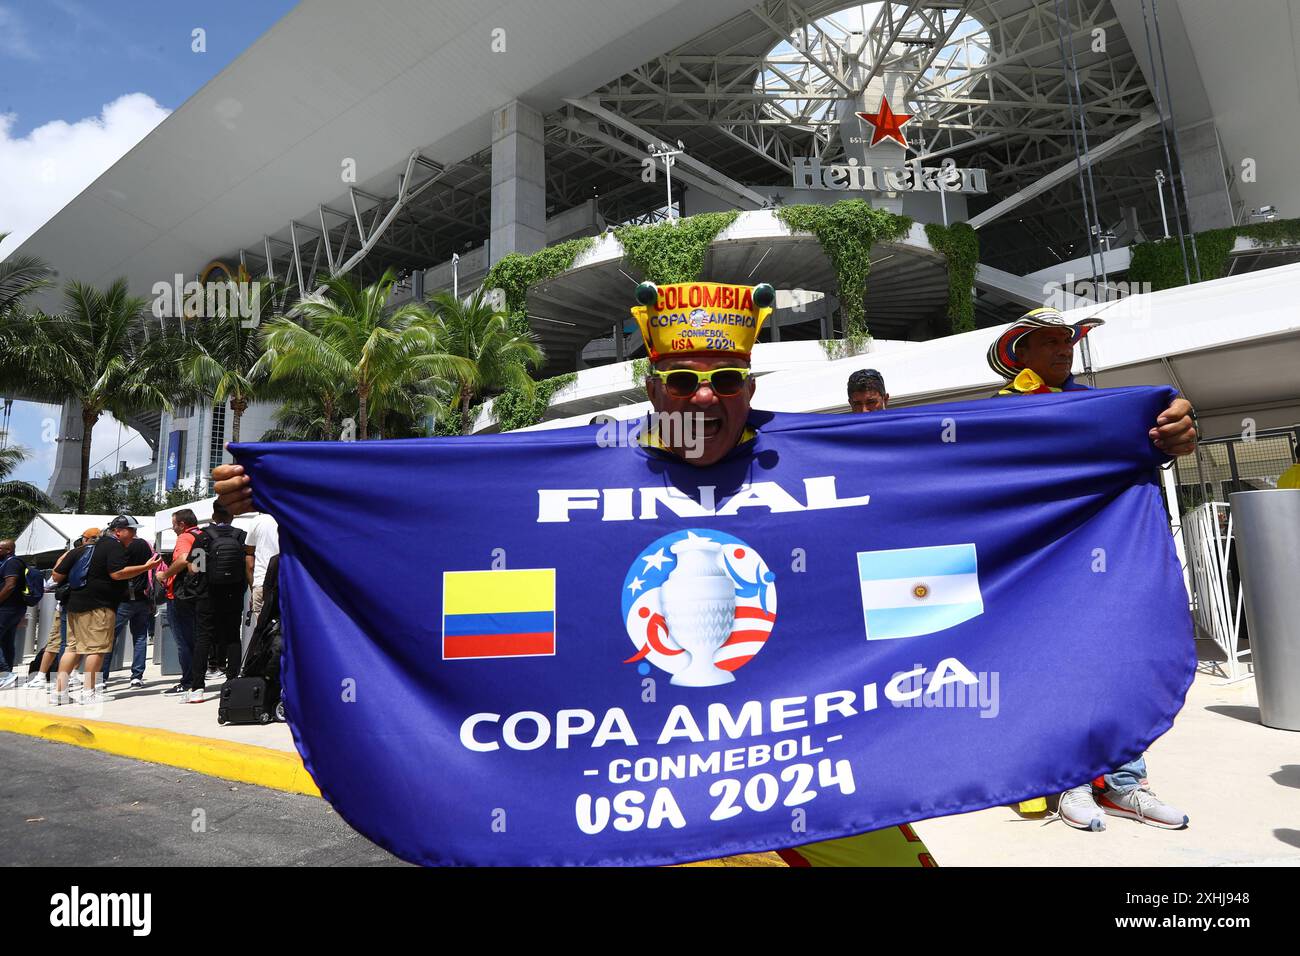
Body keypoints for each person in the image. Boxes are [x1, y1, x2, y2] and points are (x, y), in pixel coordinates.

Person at [214, 282, 1198, 861]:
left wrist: (1138, 435)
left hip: (831, 762)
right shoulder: (564, 466)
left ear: (748, 386)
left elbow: (993, 470)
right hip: (611, 784)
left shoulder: (822, 457)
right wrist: (276, 491)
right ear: (652, 385)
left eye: (725, 381)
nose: (704, 398)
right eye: (682, 381)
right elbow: (426, 509)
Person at [988, 306, 1195, 830]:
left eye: (1069, 342)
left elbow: (1154, 440)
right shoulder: (998, 412)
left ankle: (1125, 782)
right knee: (1057, 668)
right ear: (1023, 352)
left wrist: (1174, 421)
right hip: (1040, 567)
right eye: (1052, 341)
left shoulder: (1097, 404)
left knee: (1117, 665)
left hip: (1104, 567)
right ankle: (1069, 780)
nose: (1064, 349)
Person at [50, 524, 162, 705]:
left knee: (72, 648)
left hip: (74, 604)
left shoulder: (78, 551)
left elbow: (55, 575)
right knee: (98, 648)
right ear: (118, 531)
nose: (134, 534)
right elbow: (117, 574)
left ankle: (59, 692)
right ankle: (88, 692)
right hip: (99, 606)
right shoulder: (113, 547)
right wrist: (146, 567)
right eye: (131, 530)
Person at [186, 503, 248, 703]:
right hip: (234, 593)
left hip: (208, 594)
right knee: (232, 636)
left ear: (213, 514)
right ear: (232, 515)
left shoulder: (203, 536)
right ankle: (232, 682)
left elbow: (195, 568)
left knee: (203, 638)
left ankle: (197, 688)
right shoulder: (241, 535)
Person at [24, 530, 99, 690]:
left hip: (68, 604)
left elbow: (53, 579)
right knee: (73, 643)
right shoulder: (96, 556)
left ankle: (48, 677)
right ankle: (59, 676)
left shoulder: (70, 555)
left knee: (62, 643)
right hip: (84, 606)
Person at [103, 516, 156, 689]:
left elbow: (116, 571)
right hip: (142, 597)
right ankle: (137, 676)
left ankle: (102, 677)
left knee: (109, 638)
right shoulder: (144, 545)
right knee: (140, 637)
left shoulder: (120, 546)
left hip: (122, 598)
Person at [156, 510, 202, 696]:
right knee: (196, 639)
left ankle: (188, 680)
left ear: (182, 524)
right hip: (197, 594)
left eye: (174, 524)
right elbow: (199, 567)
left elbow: (183, 560)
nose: (173, 528)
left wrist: (165, 574)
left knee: (183, 640)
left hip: (180, 596)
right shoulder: (202, 535)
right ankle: (197, 676)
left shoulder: (184, 537)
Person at [0, 538, 27, 690]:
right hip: (12, 608)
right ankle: (7, 675)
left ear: (8, 550)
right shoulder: (8, 562)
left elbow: (10, 586)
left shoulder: (12, 563)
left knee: (6, 641)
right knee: (6, 641)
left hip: (7, 608)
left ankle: (5, 674)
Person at [245, 511, 280, 622]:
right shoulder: (288, 518)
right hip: (283, 583)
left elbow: (250, 562)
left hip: (260, 583)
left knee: (261, 632)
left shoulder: (257, 521)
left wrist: (253, 587)